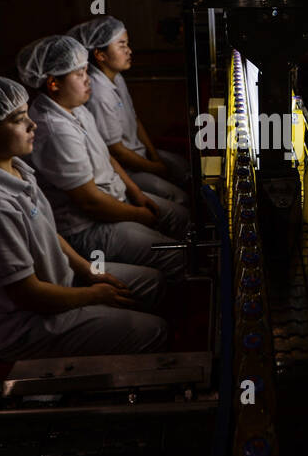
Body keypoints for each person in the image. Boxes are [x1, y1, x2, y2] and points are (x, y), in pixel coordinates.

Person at [0, 75, 169, 361]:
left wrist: (89, 271)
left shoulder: (18, 169)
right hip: (26, 322)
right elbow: (29, 295)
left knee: (153, 283)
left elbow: (50, 233)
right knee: (153, 331)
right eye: (18, 119)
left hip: (58, 285)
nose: (32, 124)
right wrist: (95, 295)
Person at [17, 35, 190, 282]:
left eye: (86, 71)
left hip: (114, 199)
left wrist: (136, 194)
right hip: (88, 227)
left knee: (180, 216)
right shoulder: (54, 131)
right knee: (176, 255)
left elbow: (107, 155)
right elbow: (90, 203)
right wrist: (139, 214)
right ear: (54, 83)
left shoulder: (75, 106)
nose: (88, 79)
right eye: (79, 74)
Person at [68, 15, 191, 206]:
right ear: (101, 55)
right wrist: (155, 168)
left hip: (139, 154)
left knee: (184, 168)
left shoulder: (116, 77)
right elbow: (117, 151)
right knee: (178, 198)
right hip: (127, 167)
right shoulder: (99, 94)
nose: (130, 51)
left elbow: (135, 120)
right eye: (122, 45)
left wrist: (155, 157)